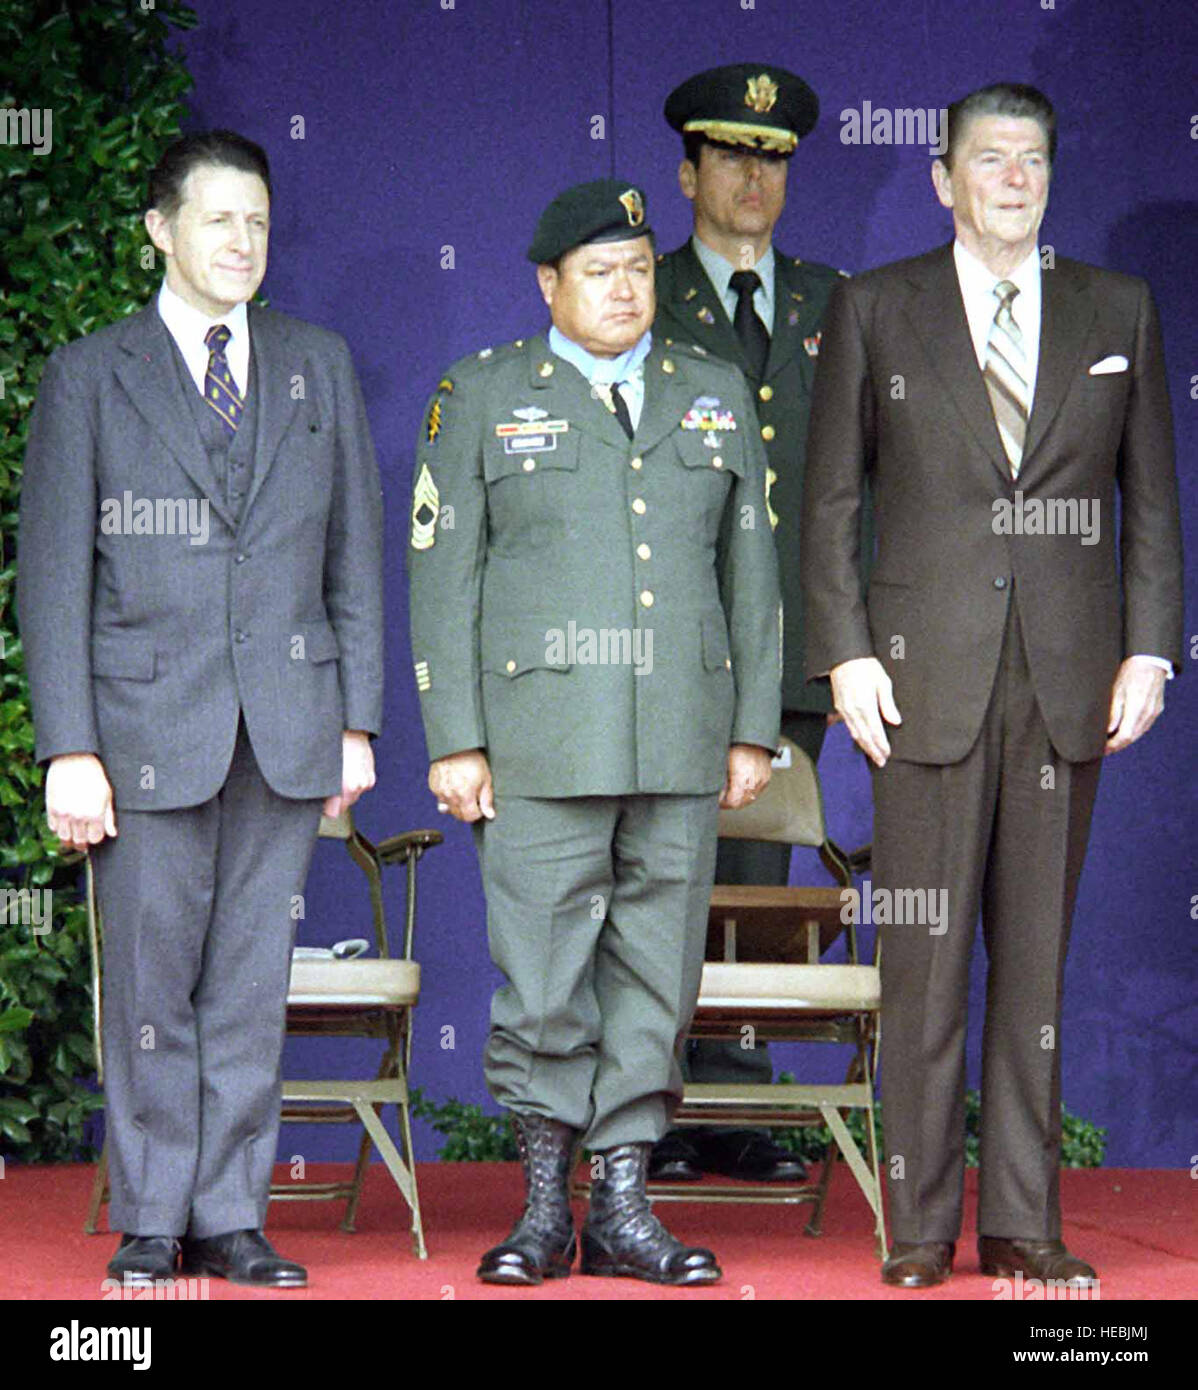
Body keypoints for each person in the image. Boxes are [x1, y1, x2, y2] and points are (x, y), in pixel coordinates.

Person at [800, 83, 1182, 1288]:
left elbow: (1153, 501)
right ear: (941, 178)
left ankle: (1023, 1225)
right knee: (922, 965)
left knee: (1035, 963)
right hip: (918, 682)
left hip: (1070, 681)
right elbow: (828, 505)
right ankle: (917, 1228)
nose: (1011, 177)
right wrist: (846, 650)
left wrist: (1151, 648)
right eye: (987, 158)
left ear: (1050, 179)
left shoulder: (1113, 305)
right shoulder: (874, 307)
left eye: (1030, 160)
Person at [18, 130, 384, 1289]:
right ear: (160, 231)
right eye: (219, 219)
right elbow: (53, 576)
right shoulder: (89, 374)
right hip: (139, 734)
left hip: (283, 728)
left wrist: (357, 720)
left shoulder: (314, 361)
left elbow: (355, 559)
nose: (242, 242)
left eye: (259, 222)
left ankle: (231, 1213)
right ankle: (150, 1215)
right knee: (147, 987)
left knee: (245, 989)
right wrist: (68, 746)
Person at [407, 179, 781, 1286]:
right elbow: (443, 576)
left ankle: (622, 1204)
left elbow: (750, 574)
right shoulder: (479, 394)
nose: (625, 290)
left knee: (657, 977)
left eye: (639, 268)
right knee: (542, 976)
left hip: (678, 732)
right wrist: (454, 736)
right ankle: (539, 1208)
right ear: (547, 284)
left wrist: (751, 725)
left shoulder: (712, 392)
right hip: (538, 740)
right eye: (599, 271)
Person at [651, 62, 848, 1184]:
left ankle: (726, 1108)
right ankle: (650, 1109)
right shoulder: (641, 290)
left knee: (757, 882)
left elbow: (863, 486)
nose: (752, 178)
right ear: (687, 172)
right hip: (667, 647)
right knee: (663, 877)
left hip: (789, 651)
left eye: (771, 159)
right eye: (730, 155)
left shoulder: (832, 301)